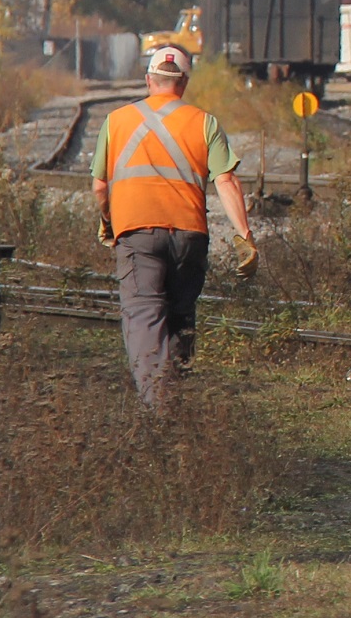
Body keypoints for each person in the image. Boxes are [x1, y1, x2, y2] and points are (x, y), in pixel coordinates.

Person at [92, 45, 257, 405]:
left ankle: (160, 412)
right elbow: (226, 181)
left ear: (149, 80)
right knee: (181, 317)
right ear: (183, 83)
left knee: (144, 319)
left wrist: (108, 220)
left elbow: (100, 186)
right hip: (189, 236)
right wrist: (244, 235)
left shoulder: (116, 121)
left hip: (137, 233)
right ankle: (179, 398)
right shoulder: (204, 122)